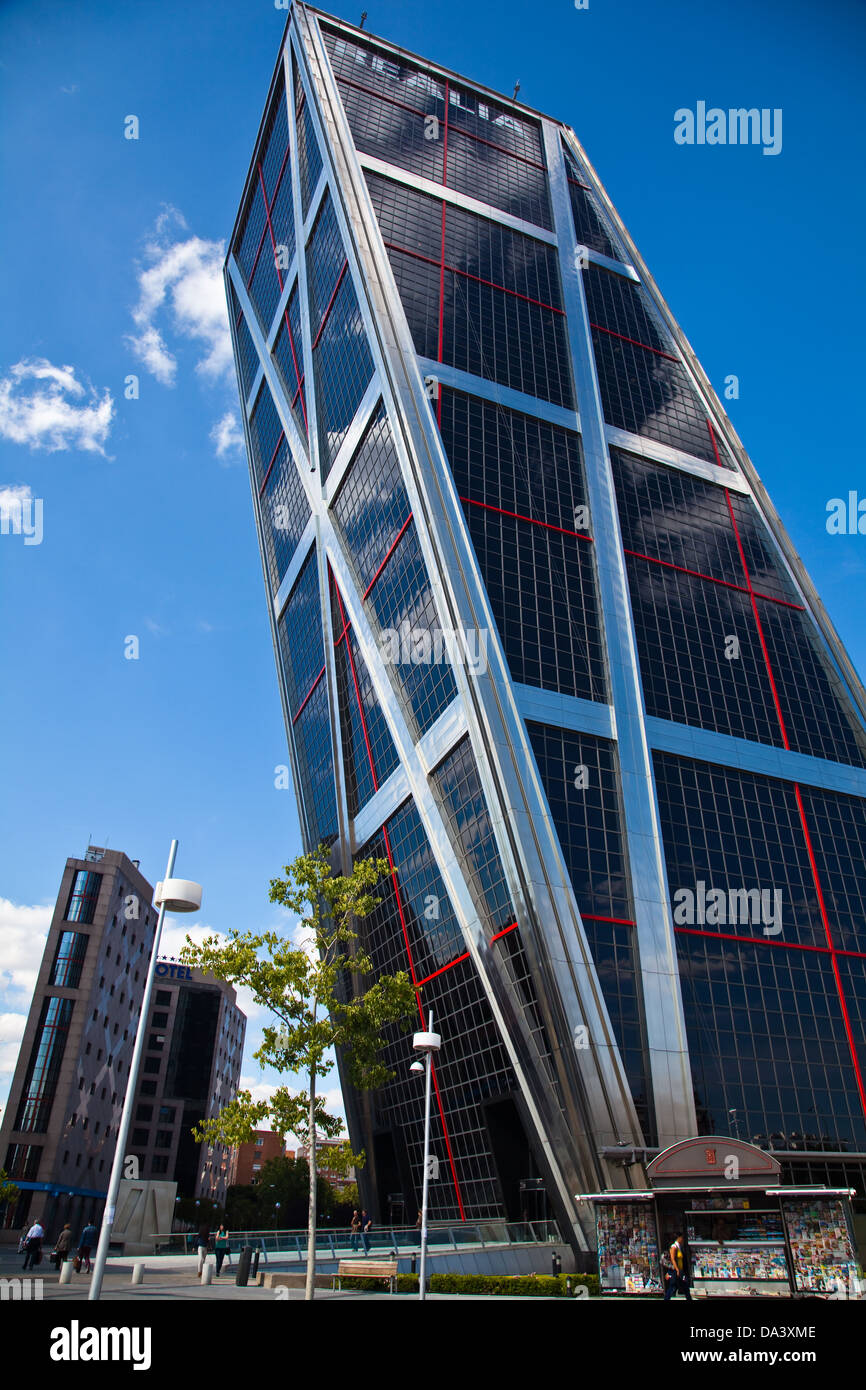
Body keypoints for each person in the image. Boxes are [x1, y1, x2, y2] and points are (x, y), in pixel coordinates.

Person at [664, 1233, 691, 1301]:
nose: (682, 1239)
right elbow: (673, 1259)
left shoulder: (679, 1247)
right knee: (672, 1286)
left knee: (684, 1285)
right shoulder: (674, 1247)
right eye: (682, 1238)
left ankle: (689, 1298)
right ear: (678, 1238)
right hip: (674, 1271)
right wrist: (677, 1269)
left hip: (680, 1270)